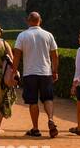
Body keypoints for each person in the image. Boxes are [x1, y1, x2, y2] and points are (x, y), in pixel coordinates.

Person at [13, 11, 59, 139]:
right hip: (46, 72)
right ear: (40, 21)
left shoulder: (22, 35)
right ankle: (50, 119)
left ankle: (36, 128)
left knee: (33, 101)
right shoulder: (48, 35)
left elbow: (17, 55)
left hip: (30, 72)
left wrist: (14, 71)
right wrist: (55, 71)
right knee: (48, 98)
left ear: (28, 21)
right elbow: (55, 55)